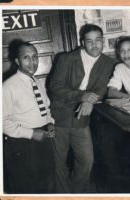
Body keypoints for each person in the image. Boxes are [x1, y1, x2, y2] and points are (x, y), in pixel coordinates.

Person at [49, 24, 115, 193]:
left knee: (86, 161)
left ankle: (75, 191)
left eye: (98, 40)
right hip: (60, 117)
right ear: (82, 43)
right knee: (58, 163)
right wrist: (82, 96)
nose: (94, 45)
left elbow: (101, 88)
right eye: (89, 41)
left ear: (103, 41)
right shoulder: (66, 59)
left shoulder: (108, 62)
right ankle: (63, 194)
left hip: (82, 118)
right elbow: (55, 87)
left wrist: (90, 101)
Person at [3, 42, 55, 193]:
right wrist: (31, 134)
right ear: (17, 61)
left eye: (35, 57)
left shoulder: (37, 82)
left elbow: (46, 108)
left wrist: (50, 123)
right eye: (26, 57)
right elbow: (1, 121)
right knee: (27, 188)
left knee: (47, 183)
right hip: (22, 145)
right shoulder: (8, 87)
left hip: (43, 140)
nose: (32, 62)